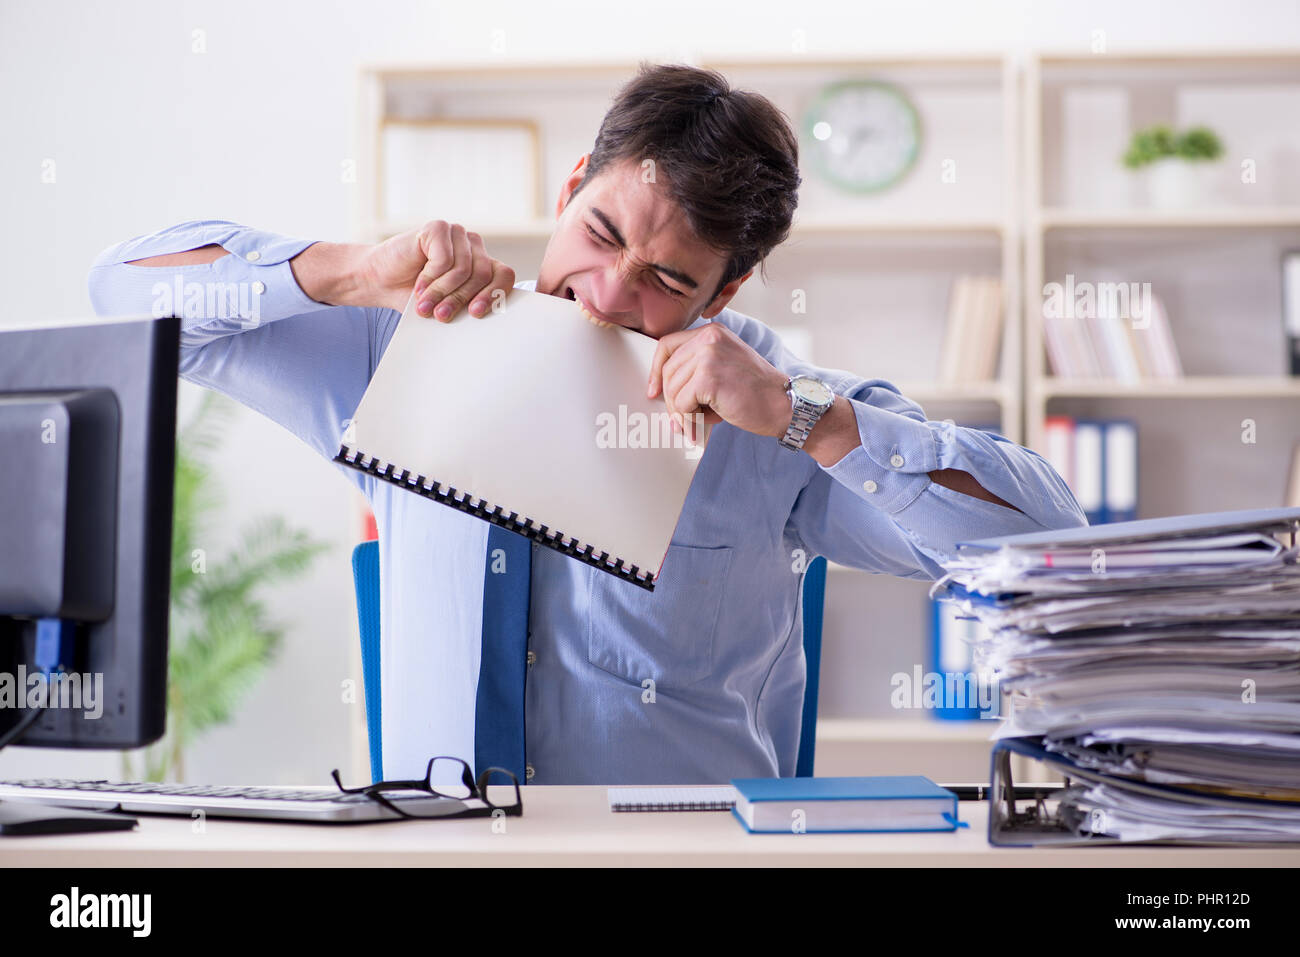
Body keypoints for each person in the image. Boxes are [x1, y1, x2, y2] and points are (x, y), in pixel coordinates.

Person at [88, 63, 1086, 785]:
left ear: (727, 287)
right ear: (569, 189)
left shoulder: (778, 402)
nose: (608, 295)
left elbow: (1050, 551)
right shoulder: (407, 338)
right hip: (438, 861)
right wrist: (350, 272)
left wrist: (803, 421)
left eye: (667, 279)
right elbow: (120, 295)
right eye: (600, 234)